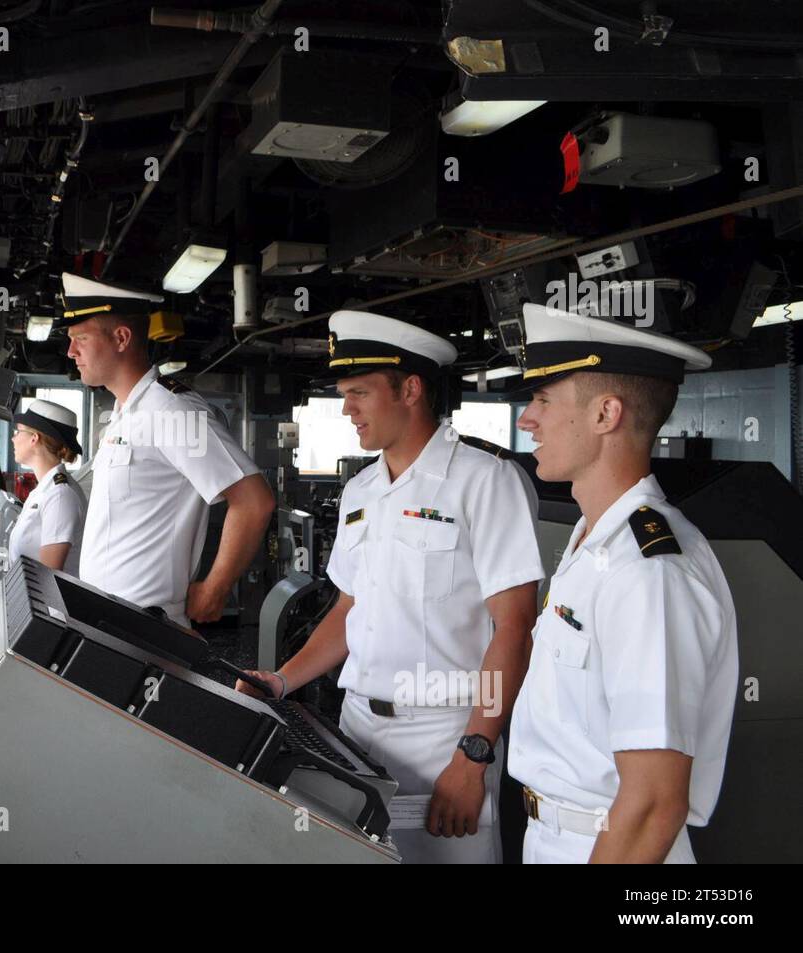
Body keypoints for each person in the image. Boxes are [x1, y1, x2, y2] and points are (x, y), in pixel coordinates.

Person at [236, 310, 543, 863]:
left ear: (410, 389)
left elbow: (516, 627)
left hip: (444, 735)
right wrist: (282, 681)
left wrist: (474, 754)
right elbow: (351, 609)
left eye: (358, 392)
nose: (347, 408)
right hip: (357, 730)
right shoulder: (362, 490)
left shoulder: (485, 481)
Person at [509, 303, 738, 864]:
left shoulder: (647, 571)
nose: (525, 419)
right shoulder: (596, 542)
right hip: (557, 836)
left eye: (543, 400)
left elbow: (654, 802)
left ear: (606, 413)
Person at [59, 272, 275, 628]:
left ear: (121, 338)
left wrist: (215, 588)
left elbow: (254, 501)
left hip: (146, 623)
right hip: (112, 619)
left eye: (80, 338)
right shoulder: (125, 414)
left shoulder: (170, 410)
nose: (70, 351)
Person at [7, 398, 87, 574]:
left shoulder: (60, 495)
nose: (13, 439)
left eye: (18, 432)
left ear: (34, 438)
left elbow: (49, 577)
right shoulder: (45, 488)